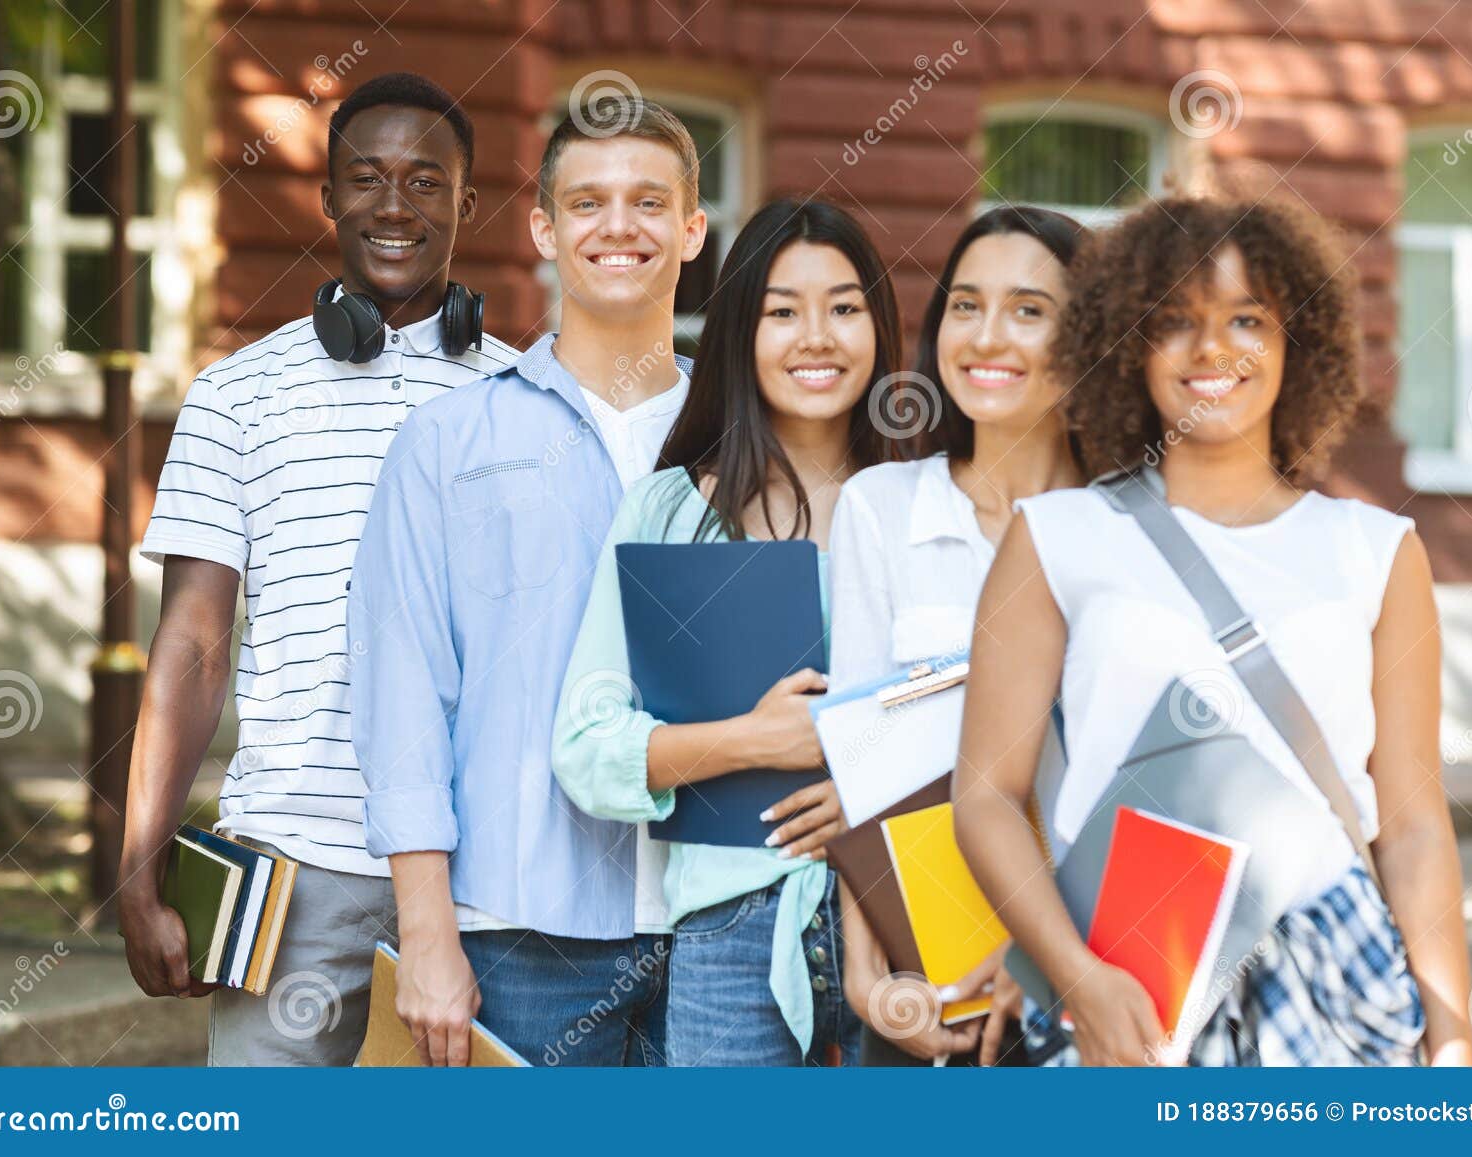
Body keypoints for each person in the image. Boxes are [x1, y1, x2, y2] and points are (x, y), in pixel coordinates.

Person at [953, 195, 1472, 1066]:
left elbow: (1415, 825)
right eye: (1177, 322)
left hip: (1333, 990)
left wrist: (1452, 1034)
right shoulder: (1057, 536)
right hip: (1131, 991)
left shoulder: (1377, 550)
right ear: (1129, 342)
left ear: (1295, 343)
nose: (1213, 349)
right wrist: (1076, 975)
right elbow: (985, 797)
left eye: (1247, 319)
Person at [118, 73, 517, 1065]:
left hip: (485, 878)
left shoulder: (525, 397)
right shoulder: (236, 394)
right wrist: (138, 863)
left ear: (466, 204)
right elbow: (194, 641)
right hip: (290, 872)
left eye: (425, 181)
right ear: (330, 196)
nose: (393, 205)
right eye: (366, 178)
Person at [347, 98, 707, 1067]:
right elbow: (404, 691)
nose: (618, 227)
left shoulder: (738, 439)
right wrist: (426, 932)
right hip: (520, 923)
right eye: (588, 203)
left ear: (691, 227)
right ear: (545, 229)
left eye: (648, 201)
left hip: (722, 914)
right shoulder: (448, 442)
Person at [551, 198, 905, 1066]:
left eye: (845, 308)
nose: (815, 336)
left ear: (881, 327)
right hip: (733, 932)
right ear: (741, 330)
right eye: (783, 311)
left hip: (907, 906)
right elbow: (588, 746)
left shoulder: (924, 503)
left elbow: (1004, 718)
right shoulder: (672, 511)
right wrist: (749, 740)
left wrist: (869, 783)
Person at [827, 205, 1085, 1067]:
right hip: (928, 971)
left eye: (1029, 309)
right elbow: (860, 763)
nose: (988, 336)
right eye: (966, 306)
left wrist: (1046, 962)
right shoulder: (883, 507)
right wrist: (868, 980)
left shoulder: (1126, 524)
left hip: (1092, 968)